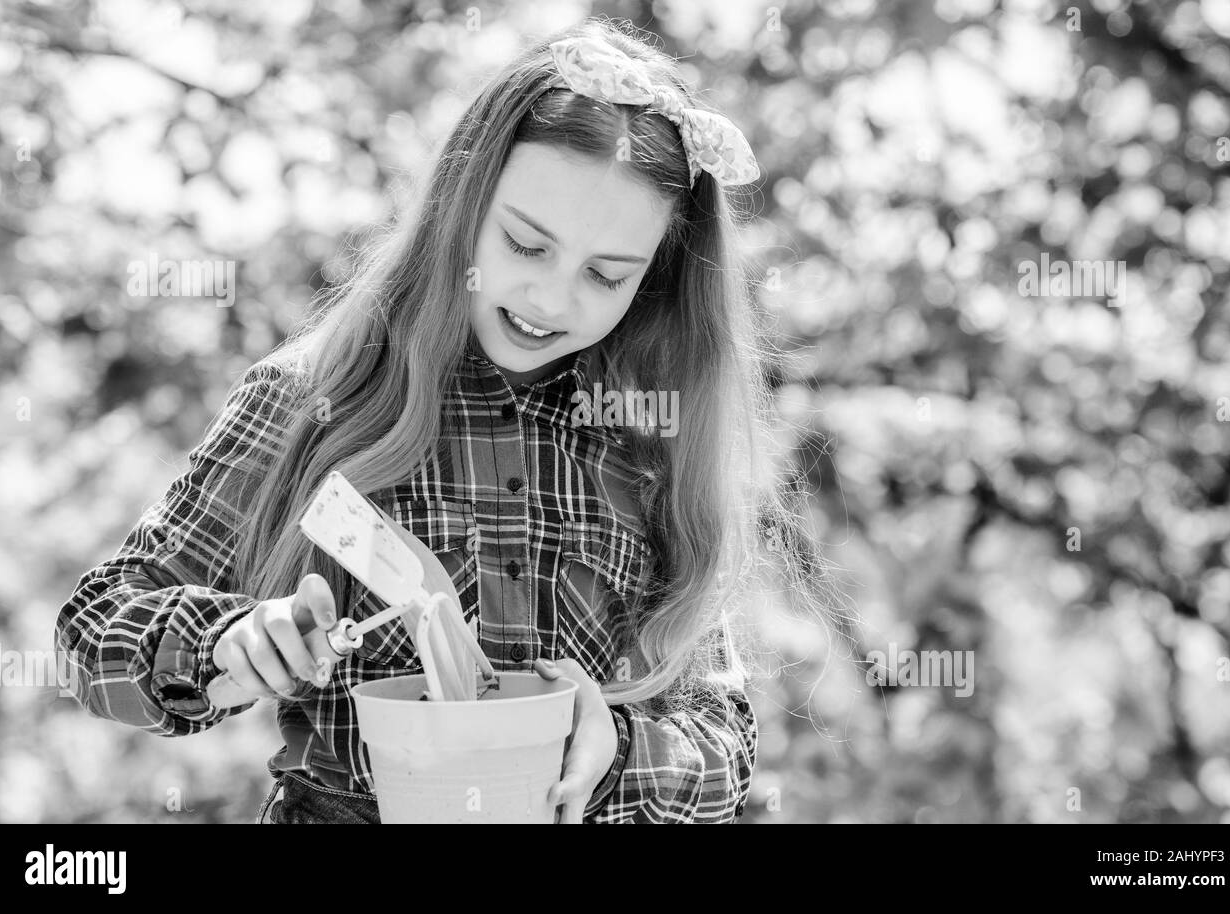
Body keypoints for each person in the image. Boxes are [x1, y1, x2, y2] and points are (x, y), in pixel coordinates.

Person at [57, 17, 823, 824]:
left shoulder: (649, 440)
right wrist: (228, 639)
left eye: (606, 274)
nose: (551, 299)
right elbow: (91, 639)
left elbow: (725, 746)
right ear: (463, 206)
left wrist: (618, 748)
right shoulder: (318, 398)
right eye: (526, 246)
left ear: (655, 278)